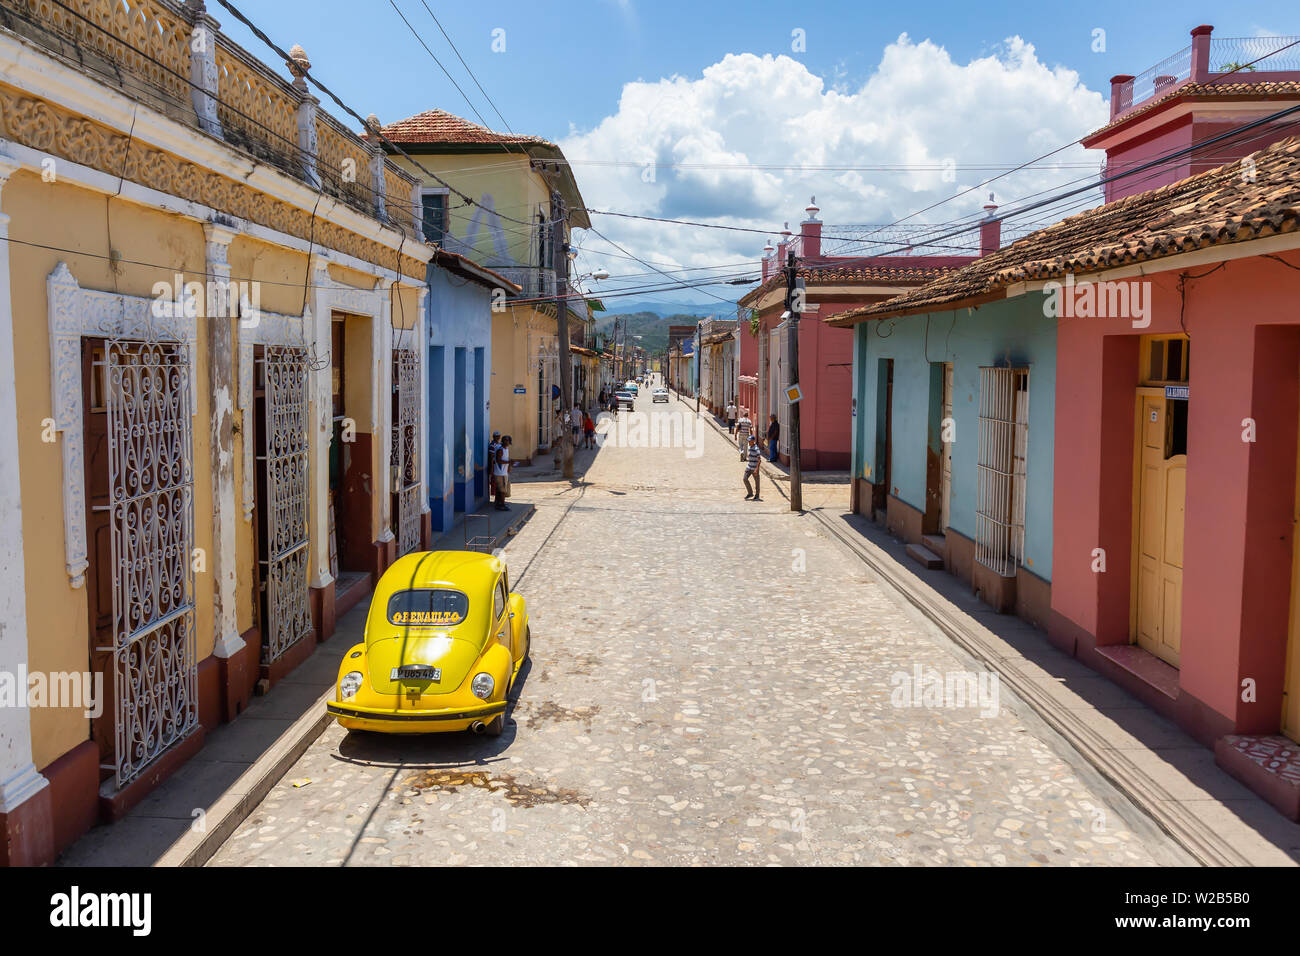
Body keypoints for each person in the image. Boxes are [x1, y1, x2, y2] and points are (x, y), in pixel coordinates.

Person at [493, 435, 513, 511]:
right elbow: (498, 460)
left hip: (503, 472)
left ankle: (498, 503)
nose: (508, 443)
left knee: (499, 489)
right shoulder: (500, 450)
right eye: (506, 441)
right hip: (500, 473)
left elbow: (505, 459)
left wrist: (509, 465)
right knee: (503, 490)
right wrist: (508, 462)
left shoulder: (506, 449)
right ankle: (502, 504)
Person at [743, 434, 762, 501]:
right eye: (748, 441)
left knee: (757, 482)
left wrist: (757, 469)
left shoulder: (756, 449)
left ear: (753, 441)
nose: (749, 442)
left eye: (750, 441)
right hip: (749, 467)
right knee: (745, 479)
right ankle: (750, 493)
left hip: (754, 468)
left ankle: (757, 495)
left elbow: (759, 460)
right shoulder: (749, 447)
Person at [487, 430, 501, 500]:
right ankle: (496, 499)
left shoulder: (499, 444)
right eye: (496, 436)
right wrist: (492, 468)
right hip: (494, 466)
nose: (497, 437)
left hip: (499, 466)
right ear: (493, 437)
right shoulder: (492, 445)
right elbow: (491, 457)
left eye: (498, 436)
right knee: (494, 482)